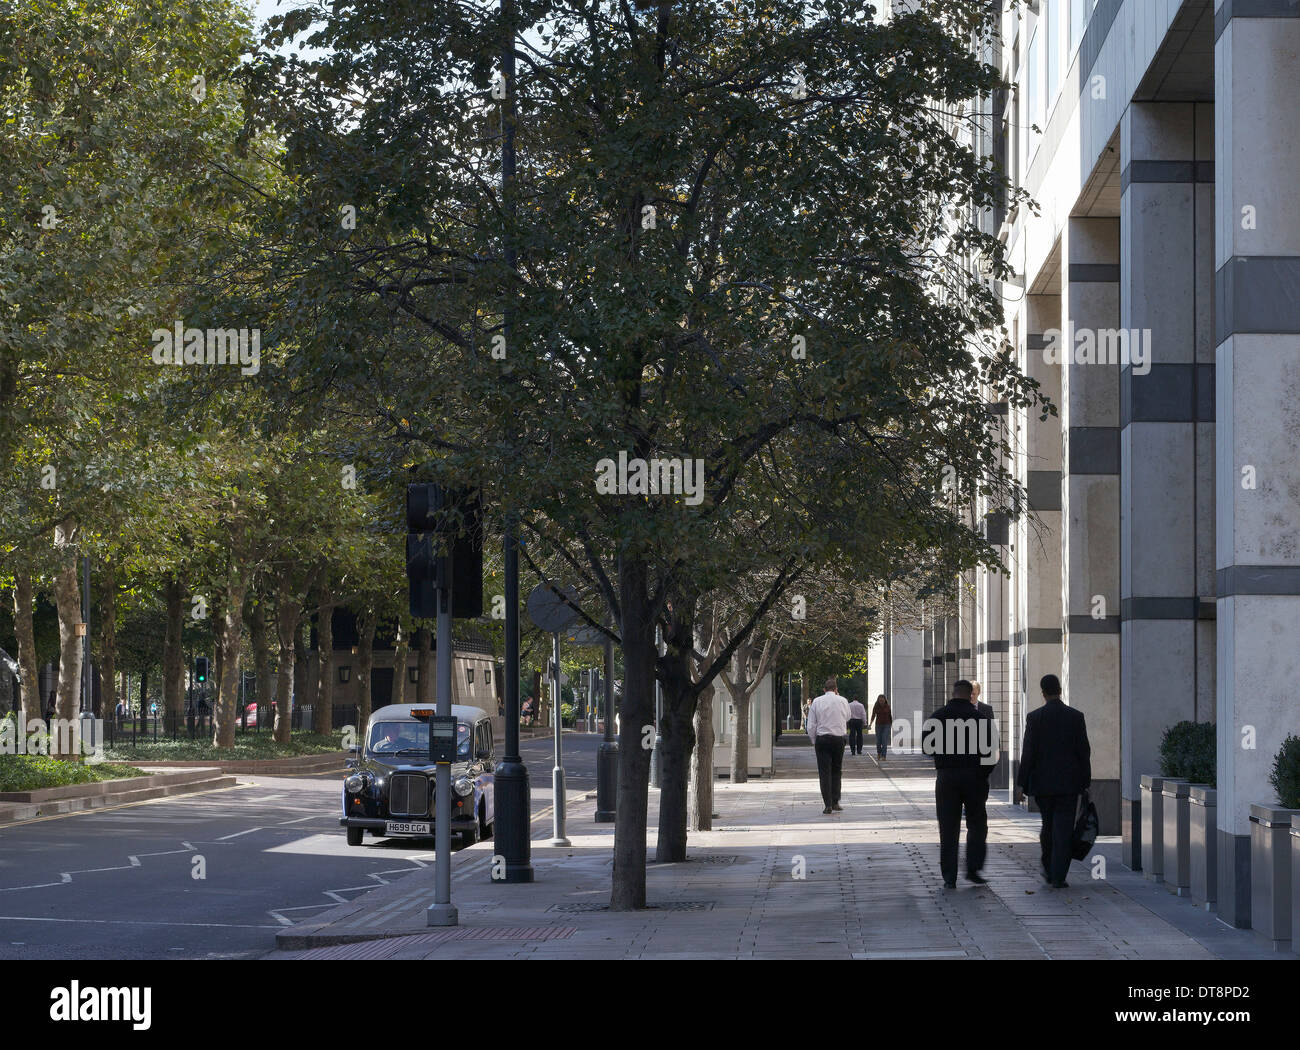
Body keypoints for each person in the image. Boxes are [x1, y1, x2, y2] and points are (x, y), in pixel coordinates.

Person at [1016, 674, 1091, 889]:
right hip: (1069, 784)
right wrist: (1086, 782)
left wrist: (1022, 784)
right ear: (1059, 689)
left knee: (1048, 826)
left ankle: (1049, 867)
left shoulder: (1035, 717)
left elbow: (1028, 752)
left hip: (1043, 785)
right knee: (1064, 829)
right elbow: (1083, 752)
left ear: (1043, 692)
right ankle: (1059, 875)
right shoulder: (1076, 717)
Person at [925, 679, 999, 889]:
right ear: (970, 695)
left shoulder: (938, 717)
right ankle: (974, 868)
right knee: (976, 823)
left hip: (947, 777)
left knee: (948, 826)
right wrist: (982, 774)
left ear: (953, 693)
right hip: (974, 777)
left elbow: (927, 748)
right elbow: (992, 753)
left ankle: (950, 876)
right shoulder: (980, 719)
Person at [805, 677, 851, 814]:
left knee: (824, 772)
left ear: (824, 689)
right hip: (838, 739)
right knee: (837, 770)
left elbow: (811, 724)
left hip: (823, 739)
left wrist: (814, 740)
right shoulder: (843, 700)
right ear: (836, 689)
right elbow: (848, 717)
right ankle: (836, 801)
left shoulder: (817, 702)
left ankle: (827, 804)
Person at [870, 693, 893, 760]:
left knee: (884, 741)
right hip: (878, 725)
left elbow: (890, 716)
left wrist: (891, 725)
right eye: (880, 701)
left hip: (887, 725)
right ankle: (879, 753)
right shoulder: (876, 706)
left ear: (885, 700)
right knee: (878, 741)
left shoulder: (888, 706)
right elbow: (873, 715)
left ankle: (884, 756)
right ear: (878, 701)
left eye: (882, 700)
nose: (881, 702)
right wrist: (870, 724)